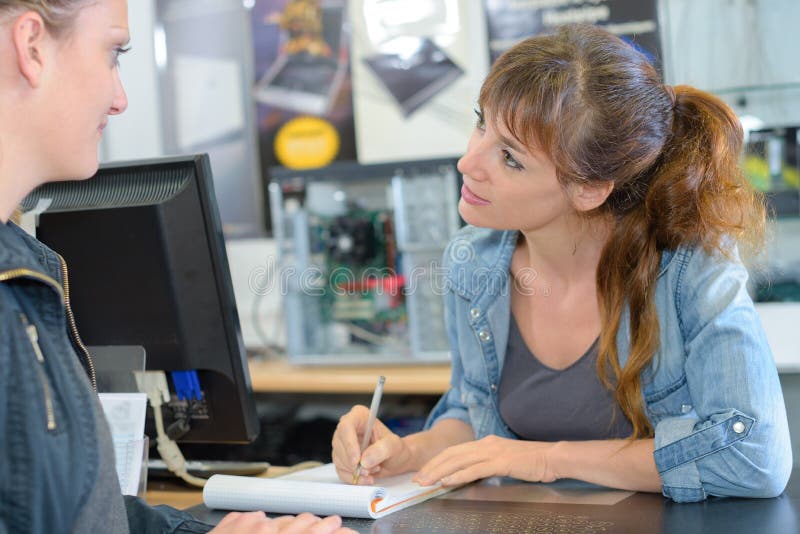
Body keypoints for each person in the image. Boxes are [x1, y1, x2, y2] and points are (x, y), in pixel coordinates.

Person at [331, 24, 793, 503]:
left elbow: (755, 456)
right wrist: (409, 451)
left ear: (589, 189)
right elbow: (475, 414)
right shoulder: (473, 260)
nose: (467, 162)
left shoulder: (688, 267)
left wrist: (545, 460)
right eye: (481, 123)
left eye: (509, 158)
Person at [0, 1, 355, 533]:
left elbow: (85, 514)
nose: (120, 100)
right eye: (113, 52)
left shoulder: (27, 273)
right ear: (31, 46)